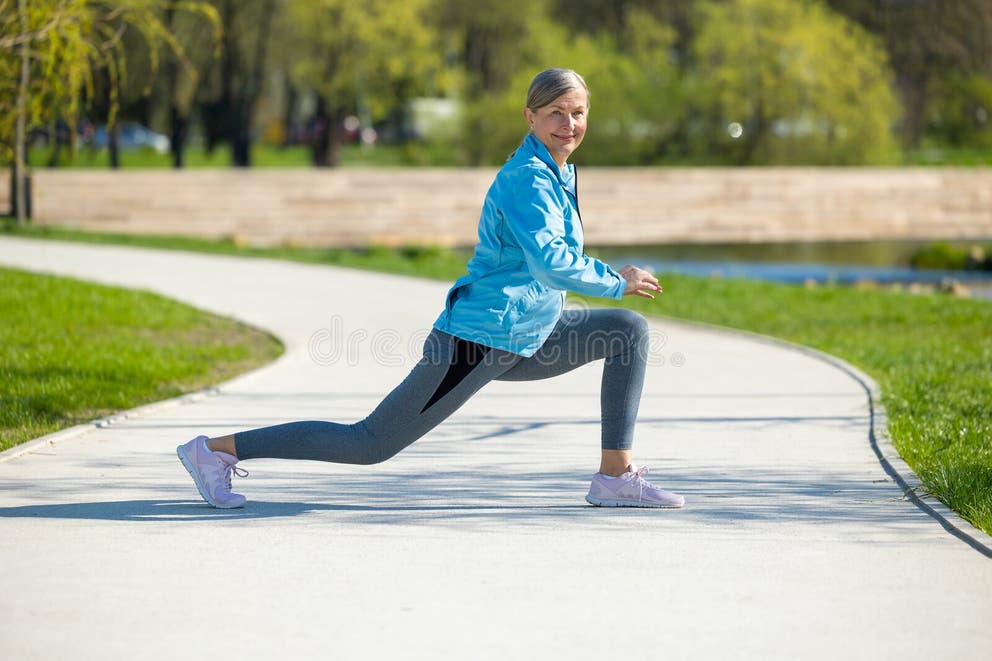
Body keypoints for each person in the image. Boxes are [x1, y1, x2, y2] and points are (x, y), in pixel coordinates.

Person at [177, 68, 685, 510]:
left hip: (528, 337)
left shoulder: (559, 173)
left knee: (626, 331)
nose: (568, 125)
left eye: (577, 112)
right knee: (370, 443)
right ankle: (217, 450)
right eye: (555, 112)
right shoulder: (528, 179)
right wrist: (614, 280)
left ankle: (615, 478)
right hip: (476, 344)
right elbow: (552, 263)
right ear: (529, 117)